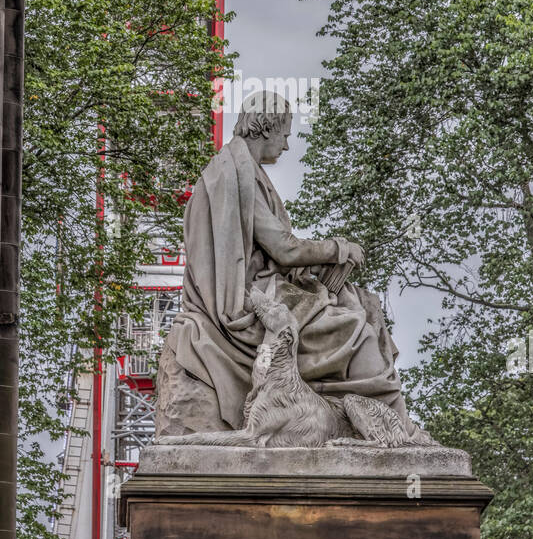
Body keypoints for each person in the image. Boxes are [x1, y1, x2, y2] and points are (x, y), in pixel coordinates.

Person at [154, 90, 414, 437]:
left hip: (260, 287)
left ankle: (383, 421)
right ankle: (392, 427)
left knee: (361, 301)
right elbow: (284, 249)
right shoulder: (237, 173)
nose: (287, 146)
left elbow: (272, 251)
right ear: (266, 127)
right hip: (249, 302)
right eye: (286, 134)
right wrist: (337, 249)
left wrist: (315, 268)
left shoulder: (236, 169)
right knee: (355, 323)